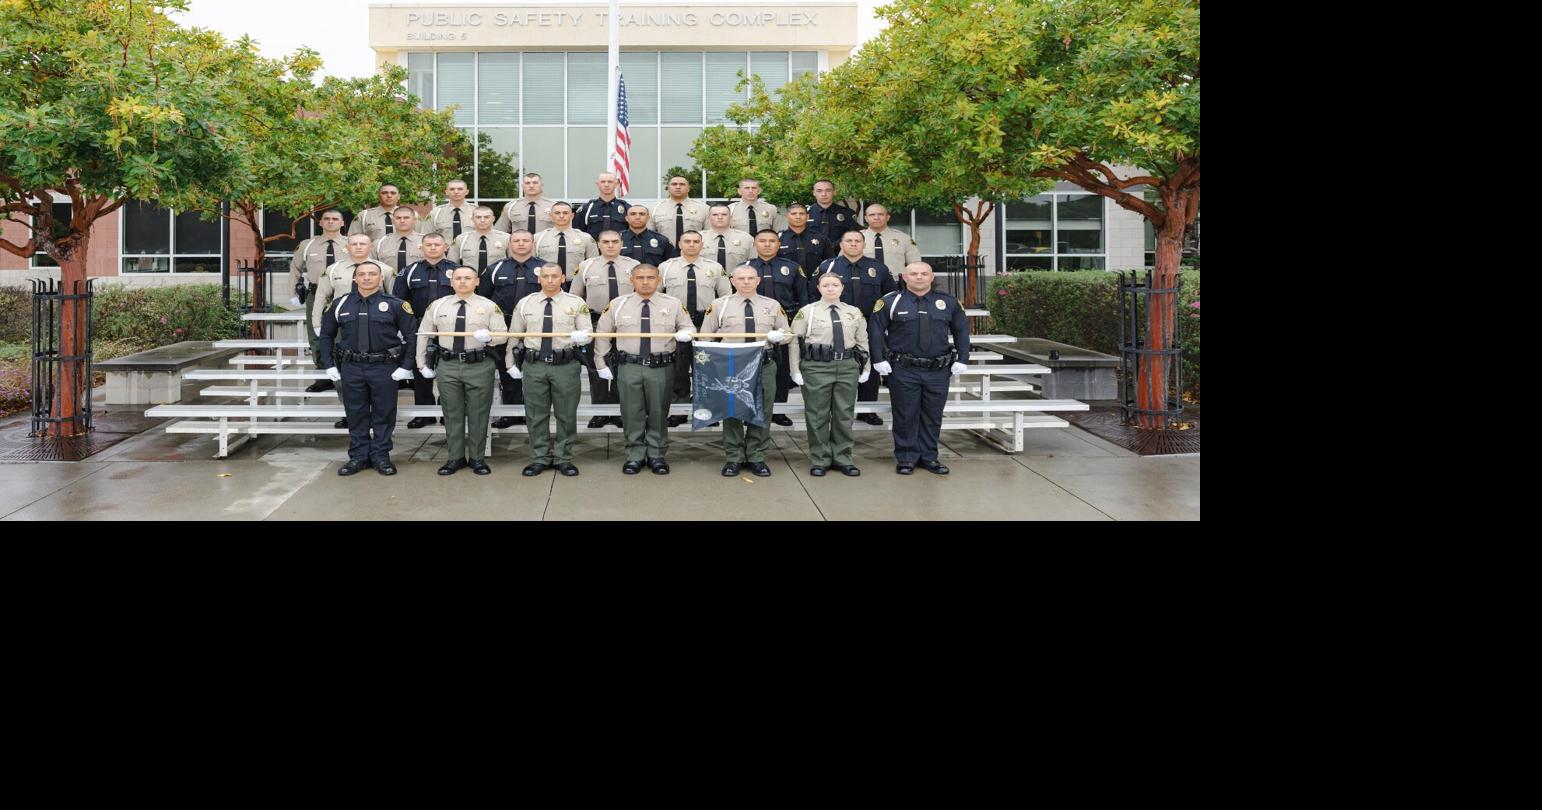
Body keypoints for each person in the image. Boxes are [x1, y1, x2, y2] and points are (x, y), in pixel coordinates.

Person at [869, 262, 971, 475]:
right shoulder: (890, 301)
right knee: (906, 415)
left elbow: (961, 331)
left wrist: (963, 358)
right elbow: (876, 332)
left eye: (924, 273)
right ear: (904, 277)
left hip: (938, 369)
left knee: (932, 415)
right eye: (914, 274)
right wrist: (878, 359)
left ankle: (929, 457)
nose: (919, 277)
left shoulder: (948, 302)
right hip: (904, 368)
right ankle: (906, 458)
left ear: (932, 276)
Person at [592, 264, 694, 475]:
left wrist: (686, 333)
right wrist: (600, 364)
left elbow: (688, 326)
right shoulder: (618, 304)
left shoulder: (673, 304)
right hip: (629, 366)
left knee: (658, 412)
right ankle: (635, 455)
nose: (645, 282)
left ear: (659, 280)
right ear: (632, 280)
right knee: (632, 413)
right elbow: (603, 333)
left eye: (650, 278)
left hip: (661, 367)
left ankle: (656, 454)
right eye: (640, 278)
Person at [317, 261, 416, 476]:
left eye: (372, 274)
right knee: (356, 413)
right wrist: (329, 365)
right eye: (362, 274)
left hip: (384, 368)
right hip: (351, 367)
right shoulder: (340, 304)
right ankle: (358, 457)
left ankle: (381, 456)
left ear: (381, 279)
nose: (367, 278)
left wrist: (406, 367)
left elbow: (411, 337)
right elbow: (326, 335)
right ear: (355, 278)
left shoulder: (396, 304)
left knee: (384, 413)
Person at [698, 265, 793, 478]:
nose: (746, 282)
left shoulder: (773, 305)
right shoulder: (719, 305)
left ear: (758, 281)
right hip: (731, 366)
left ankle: (756, 456)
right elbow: (705, 336)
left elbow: (787, 334)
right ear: (732, 281)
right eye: (741, 278)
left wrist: (780, 336)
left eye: (751, 278)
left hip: (764, 364)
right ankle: (733, 457)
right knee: (732, 411)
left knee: (762, 411)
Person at [415, 267, 507, 475]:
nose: (462, 281)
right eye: (458, 278)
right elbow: (424, 334)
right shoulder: (438, 306)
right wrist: (422, 364)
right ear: (452, 282)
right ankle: (454, 458)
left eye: (468, 278)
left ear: (476, 282)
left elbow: (503, 334)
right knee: (452, 413)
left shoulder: (489, 306)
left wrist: (490, 338)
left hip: (479, 364)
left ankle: (477, 459)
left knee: (478, 414)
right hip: (448, 364)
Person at [506, 263, 590, 477]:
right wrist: (510, 363)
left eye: (555, 276)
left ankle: (564, 458)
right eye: (546, 276)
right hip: (535, 365)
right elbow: (515, 335)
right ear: (539, 279)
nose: (550, 280)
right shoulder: (526, 303)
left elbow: (587, 331)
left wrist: (584, 336)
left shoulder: (576, 302)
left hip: (565, 365)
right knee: (536, 415)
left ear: (563, 278)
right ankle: (539, 457)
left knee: (566, 414)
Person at [790, 273, 870, 477]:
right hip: (817, 366)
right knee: (817, 414)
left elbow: (863, 342)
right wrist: (795, 369)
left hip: (846, 366)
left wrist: (866, 368)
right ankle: (820, 458)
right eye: (826, 285)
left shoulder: (854, 312)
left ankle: (843, 457)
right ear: (818, 288)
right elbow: (794, 342)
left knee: (844, 413)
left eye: (835, 285)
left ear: (842, 288)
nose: (831, 288)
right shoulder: (806, 312)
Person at [313, 234, 397, 427]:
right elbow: (321, 297)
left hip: (376, 327)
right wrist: (318, 325)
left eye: (363, 244)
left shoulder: (384, 269)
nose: (358, 247)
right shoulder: (333, 269)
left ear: (370, 247)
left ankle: (376, 416)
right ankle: (350, 413)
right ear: (347, 247)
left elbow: (395, 297)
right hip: (345, 326)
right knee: (346, 374)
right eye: (354, 244)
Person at [817, 230, 897, 425]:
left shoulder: (878, 268)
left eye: (857, 241)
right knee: (837, 366)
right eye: (849, 240)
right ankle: (835, 411)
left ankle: (867, 410)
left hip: (870, 325)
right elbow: (815, 293)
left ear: (864, 244)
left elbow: (890, 297)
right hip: (836, 323)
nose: (853, 244)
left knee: (870, 365)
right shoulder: (828, 267)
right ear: (841, 244)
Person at [658, 231, 729, 425]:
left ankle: (706, 411)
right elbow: (656, 298)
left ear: (702, 244)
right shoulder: (665, 267)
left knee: (706, 371)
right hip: (676, 327)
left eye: (695, 241)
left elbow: (726, 298)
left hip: (705, 325)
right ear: (679, 243)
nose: (691, 245)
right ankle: (678, 411)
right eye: (687, 241)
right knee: (678, 371)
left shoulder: (714, 268)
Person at [479, 231, 547, 429]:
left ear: (533, 244)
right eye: (516, 241)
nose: (521, 244)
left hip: (537, 326)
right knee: (507, 370)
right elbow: (483, 299)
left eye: (525, 240)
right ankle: (511, 412)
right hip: (505, 326)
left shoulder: (544, 268)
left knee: (535, 370)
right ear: (509, 244)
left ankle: (534, 413)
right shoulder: (495, 268)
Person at [572, 231, 639, 429]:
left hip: (627, 323)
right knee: (596, 367)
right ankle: (599, 412)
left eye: (614, 241)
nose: (610, 245)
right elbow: (575, 298)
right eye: (606, 242)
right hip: (595, 322)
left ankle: (619, 411)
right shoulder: (586, 266)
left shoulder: (633, 266)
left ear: (621, 243)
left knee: (623, 367)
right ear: (599, 244)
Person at [740, 228, 807, 425]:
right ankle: (750, 409)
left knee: (782, 370)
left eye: (772, 241)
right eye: (762, 241)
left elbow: (802, 296)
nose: (767, 244)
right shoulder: (745, 268)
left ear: (779, 244)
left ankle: (779, 410)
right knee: (750, 370)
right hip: (753, 323)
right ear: (755, 244)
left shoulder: (792, 267)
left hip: (784, 324)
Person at [392, 233, 459, 427]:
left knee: (449, 371)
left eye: (437, 244)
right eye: (428, 244)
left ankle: (448, 411)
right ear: (421, 248)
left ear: (445, 247)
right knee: (421, 371)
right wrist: (405, 327)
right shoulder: (409, 271)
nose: (432, 248)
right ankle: (424, 413)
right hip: (419, 327)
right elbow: (399, 301)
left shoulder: (456, 270)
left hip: (450, 328)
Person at [287, 209, 348, 393]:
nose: (331, 222)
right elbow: (295, 270)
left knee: (342, 334)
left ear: (342, 223)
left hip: (342, 293)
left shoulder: (350, 243)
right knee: (316, 335)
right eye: (327, 219)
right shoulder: (307, 245)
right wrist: (293, 294)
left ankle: (341, 372)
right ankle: (323, 376)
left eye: (335, 219)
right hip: (316, 294)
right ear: (320, 223)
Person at [532, 201, 598, 281]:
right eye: (557, 213)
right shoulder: (538, 238)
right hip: (548, 284)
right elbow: (532, 264)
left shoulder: (585, 238)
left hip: (575, 284)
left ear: (572, 216)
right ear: (550, 216)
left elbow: (593, 265)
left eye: (565, 213)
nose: (561, 216)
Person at [860, 204, 923, 280]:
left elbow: (916, 265)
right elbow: (844, 263)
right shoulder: (854, 239)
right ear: (866, 218)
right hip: (864, 284)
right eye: (872, 215)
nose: (876, 218)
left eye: (881, 214)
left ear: (888, 217)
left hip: (896, 284)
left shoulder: (903, 238)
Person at [649, 175, 708, 252]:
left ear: (689, 188)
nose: (678, 187)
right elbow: (650, 236)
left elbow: (708, 235)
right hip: (664, 256)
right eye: (674, 184)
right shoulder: (655, 209)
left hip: (694, 254)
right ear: (668, 188)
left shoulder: (704, 209)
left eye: (682, 184)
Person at [349, 183, 422, 241]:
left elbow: (422, 239)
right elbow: (352, 240)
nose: (389, 195)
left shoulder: (413, 215)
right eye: (384, 193)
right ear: (378, 196)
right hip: (373, 257)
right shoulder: (364, 215)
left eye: (393, 193)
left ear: (399, 196)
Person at [449, 206, 510, 272]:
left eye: (486, 217)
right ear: (472, 219)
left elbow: (513, 263)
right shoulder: (461, 239)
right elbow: (451, 264)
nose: (482, 220)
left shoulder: (506, 238)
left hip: (497, 280)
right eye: (478, 217)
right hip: (469, 280)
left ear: (493, 219)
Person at [697, 204, 754, 272]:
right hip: (706, 281)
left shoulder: (746, 239)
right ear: (709, 218)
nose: (720, 217)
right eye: (715, 215)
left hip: (737, 280)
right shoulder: (697, 238)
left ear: (730, 217)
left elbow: (753, 263)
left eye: (724, 214)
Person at [575, 171, 630, 240]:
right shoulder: (586, 209)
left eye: (610, 182)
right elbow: (577, 234)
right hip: (594, 250)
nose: (606, 185)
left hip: (619, 250)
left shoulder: (626, 208)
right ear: (597, 184)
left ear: (616, 184)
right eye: (603, 182)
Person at [371, 206, 425, 275]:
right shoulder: (379, 243)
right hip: (389, 284)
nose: (402, 221)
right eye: (398, 218)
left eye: (406, 218)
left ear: (414, 220)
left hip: (418, 284)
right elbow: (370, 268)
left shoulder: (426, 242)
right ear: (393, 221)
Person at [807, 179, 861, 243]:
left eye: (828, 190)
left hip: (839, 252)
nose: (824, 194)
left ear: (834, 192)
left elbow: (854, 234)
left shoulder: (847, 213)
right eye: (819, 191)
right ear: (814, 193)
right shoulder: (804, 213)